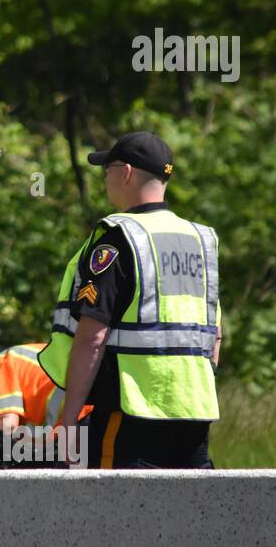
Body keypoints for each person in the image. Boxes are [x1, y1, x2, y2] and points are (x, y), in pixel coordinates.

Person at [38, 131, 222, 469]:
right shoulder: (200, 239)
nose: (105, 179)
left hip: (133, 411)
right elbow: (214, 337)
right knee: (189, 517)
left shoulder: (121, 238)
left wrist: (69, 419)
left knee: (121, 518)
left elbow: (92, 336)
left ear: (125, 172)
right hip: (195, 412)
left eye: (107, 169)